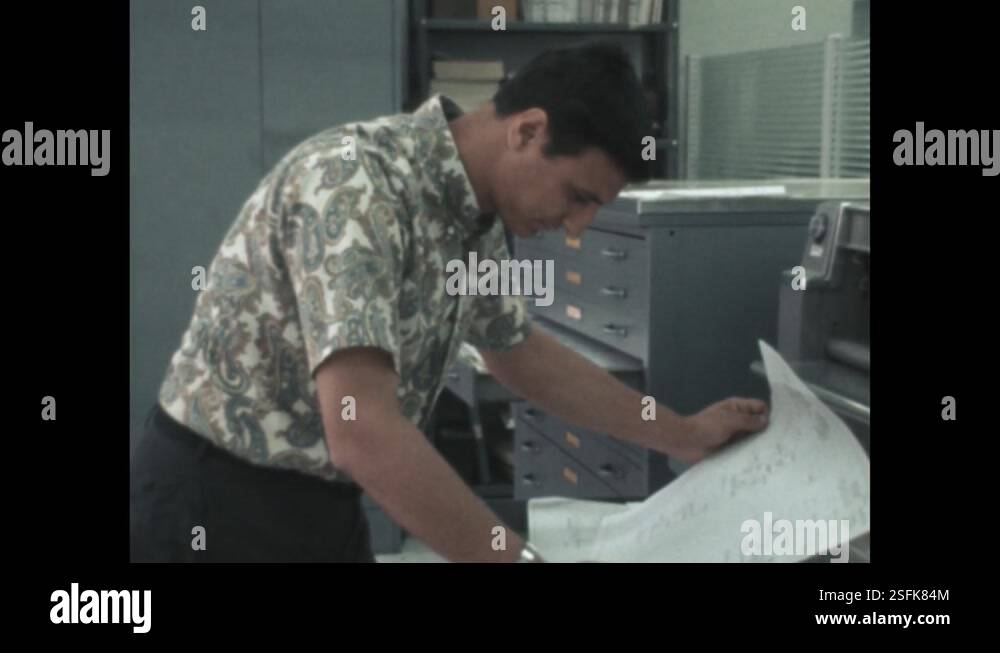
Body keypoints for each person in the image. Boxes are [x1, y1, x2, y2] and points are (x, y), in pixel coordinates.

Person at [130, 42, 769, 563]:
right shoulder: (357, 187)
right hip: (215, 502)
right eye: (578, 196)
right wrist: (510, 556)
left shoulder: (477, 216)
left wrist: (680, 432)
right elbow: (362, 429)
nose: (576, 227)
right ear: (529, 130)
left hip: (324, 502)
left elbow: (518, 353)